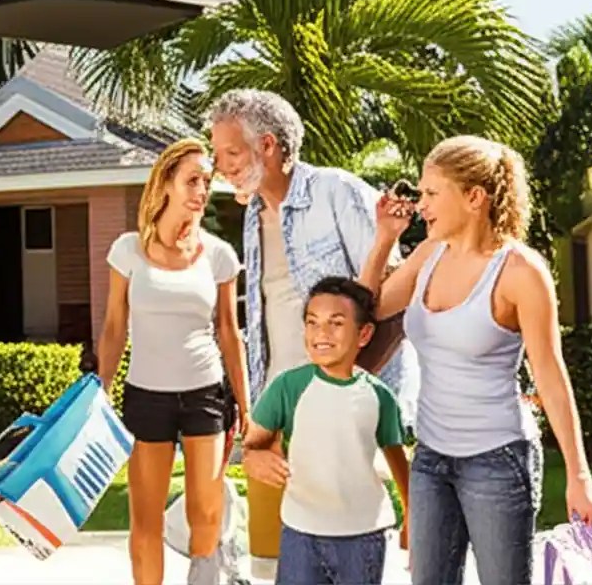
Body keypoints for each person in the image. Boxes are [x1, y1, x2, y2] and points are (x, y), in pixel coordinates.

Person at [360, 134, 592, 585]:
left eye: (432, 193)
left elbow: (550, 373)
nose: (421, 205)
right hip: (432, 457)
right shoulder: (430, 253)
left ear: (474, 197)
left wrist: (578, 474)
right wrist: (383, 240)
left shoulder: (520, 272)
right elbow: (367, 310)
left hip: (498, 459)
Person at [206, 89, 420, 576]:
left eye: (231, 153)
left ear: (268, 146)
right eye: (217, 156)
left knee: (348, 552)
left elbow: (394, 292)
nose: (222, 167)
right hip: (284, 409)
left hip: (345, 413)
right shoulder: (254, 216)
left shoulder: (336, 191)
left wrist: (344, 384)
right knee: (275, 563)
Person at [96, 138, 249, 585]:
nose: (202, 190)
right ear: (165, 183)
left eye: (206, 181)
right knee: (145, 522)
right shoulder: (127, 251)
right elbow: (113, 328)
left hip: (205, 394)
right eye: (192, 180)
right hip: (146, 397)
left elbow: (228, 332)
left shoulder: (219, 254)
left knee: (205, 512)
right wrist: (99, 391)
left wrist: (246, 404)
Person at [242, 276, 410, 585]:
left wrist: (412, 516)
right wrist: (255, 459)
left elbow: (398, 460)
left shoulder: (379, 396)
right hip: (300, 534)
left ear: (364, 334)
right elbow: (252, 447)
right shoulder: (287, 387)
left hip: (363, 537)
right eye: (312, 322)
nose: (321, 333)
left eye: (336, 323)